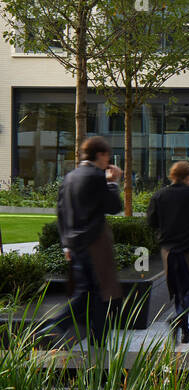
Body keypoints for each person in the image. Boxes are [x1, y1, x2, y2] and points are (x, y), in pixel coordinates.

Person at [55, 136, 124, 343]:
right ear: (100, 154)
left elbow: (61, 211)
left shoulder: (70, 177)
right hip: (93, 243)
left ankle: (98, 340)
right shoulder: (96, 176)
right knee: (94, 293)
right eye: (107, 157)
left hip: (74, 244)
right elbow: (113, 207)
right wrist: (113, 182)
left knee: (92, 294)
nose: (108, 162)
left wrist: (66, 243)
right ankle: (57, 325)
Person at [147, 160, 189, 344]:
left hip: (168, 251)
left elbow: (151, 221)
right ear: (187, 176)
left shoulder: (159, 195)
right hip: (188, 250)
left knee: (178, 292)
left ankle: (185, 331)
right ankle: (179, 318)